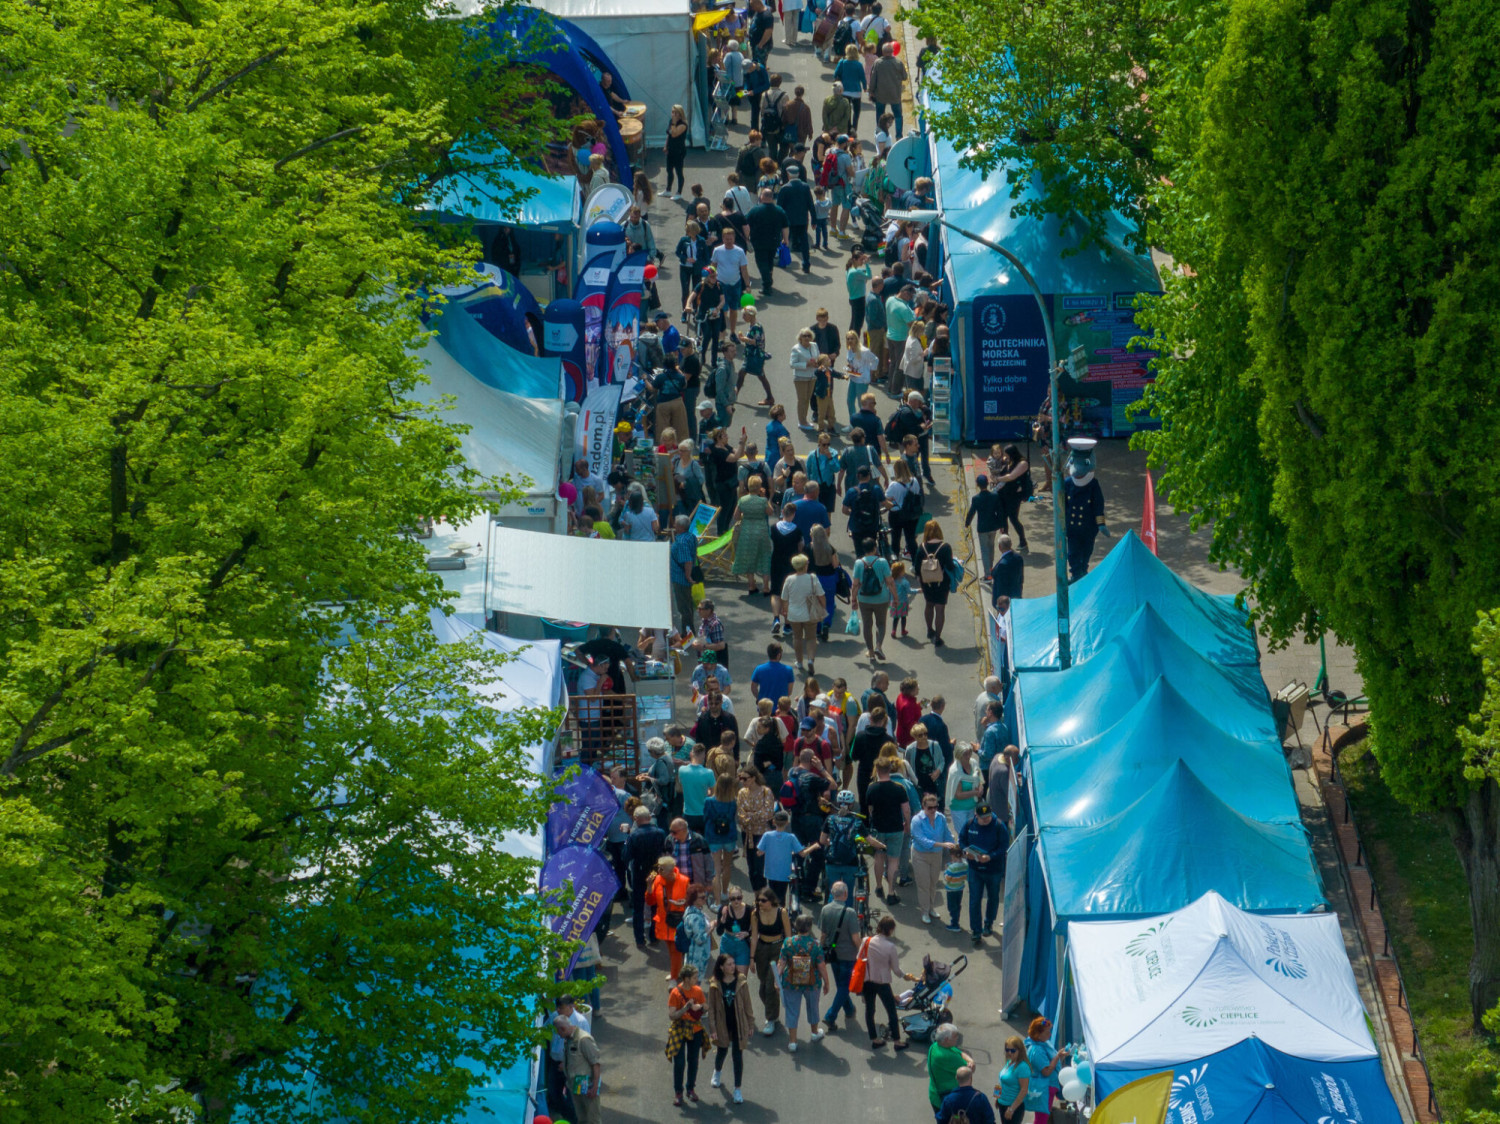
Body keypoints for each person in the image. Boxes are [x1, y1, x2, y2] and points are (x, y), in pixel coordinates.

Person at [776, 912, 829, 1052]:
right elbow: (821, 965)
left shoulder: (787, 942)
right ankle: (814, 1032)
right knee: (813, 1007)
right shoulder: (815, 945)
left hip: (790, 981)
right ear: (810, 927)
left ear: (795, 926)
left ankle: (792, 1042)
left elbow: (781, 963)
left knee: (792, 1010)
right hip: (812, 983)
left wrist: (777, 980)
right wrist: (827, 982)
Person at [704, 953, 753, 1104]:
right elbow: (711, 1008)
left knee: (737, 1057)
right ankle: (717, 1072)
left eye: (733, 963)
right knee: (722, 1051)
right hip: (722, 1025)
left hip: (738, 1024)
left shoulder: (741, 981)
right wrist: (713, 1028)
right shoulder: (715, 984)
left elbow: (747, 1004)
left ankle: (737, 1089)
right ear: (721, 967)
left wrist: (750, 1024)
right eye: (729, 964)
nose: (733, 967)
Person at [817, 879, 863, 1032]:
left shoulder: (825, 910)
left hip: (832, 954)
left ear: (831, 894)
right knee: (844, 987)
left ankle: (849, 1009)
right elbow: (856, 938)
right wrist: (862, 952)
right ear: (845, 894)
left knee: (841, 986)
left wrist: (820, 950)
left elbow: (823, 935)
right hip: (848, 956)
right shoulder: (850, 913)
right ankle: (830, 1016)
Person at [960, 801, 1008, 946]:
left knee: (993, 897)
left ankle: (988, 923)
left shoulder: (999, 826)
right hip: (975, 869)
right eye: (983, 818)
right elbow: (962, 840)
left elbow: (1004, 846)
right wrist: (965, 852)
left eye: (988, 817)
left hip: (993, 870)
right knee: (974, 900)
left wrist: (991, 856)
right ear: (976, 815)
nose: (986, 820)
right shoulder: (969, 825)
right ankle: (976, 930)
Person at [863, 915, 914, 1049]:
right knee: (891, 1011)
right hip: (882, 982)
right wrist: (905, 976)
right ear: (890, 930)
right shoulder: (890, 947)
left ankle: (874, 1039)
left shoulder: (866, 941)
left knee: (869, 1010)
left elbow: (859, 959)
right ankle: (897, 1041)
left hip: (867, 981)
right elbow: (896, 969)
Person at [748, 882, 791, 1033]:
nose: (760, 903)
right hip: (761, 949)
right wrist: (751, 958)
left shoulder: (781, 912)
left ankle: (770, 1019)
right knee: (762, 987)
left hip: (777, 948)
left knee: (770, 985)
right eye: (758, 900)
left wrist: (787, 957)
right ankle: (773, 1010)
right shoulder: (755, 914)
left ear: (771, 900)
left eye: (763, 900)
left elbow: (788, 936)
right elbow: (754, 937)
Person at [863, 761, 909, 901]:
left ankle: (878, 886)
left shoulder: (871, 788)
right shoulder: (899, 788)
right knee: (893, 861)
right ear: (890, 769)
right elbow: (906, 809)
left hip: (878, 829)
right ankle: (891, 892)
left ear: (876, 770)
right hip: (895, 828)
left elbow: (870, 809)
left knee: (879, 858)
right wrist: (907, 824)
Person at [909, 791, 958, 923]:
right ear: (923, 807)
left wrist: (955, 847)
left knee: (933, 883)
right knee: (924, 884)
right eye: (929, 807)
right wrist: (942, 844)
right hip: (920, 855)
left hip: (936, 855)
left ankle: (931, 908)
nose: (932, 810)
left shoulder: (941, 818)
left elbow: (947, 834)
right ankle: (924, 911)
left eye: (935, 807)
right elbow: (921, 840)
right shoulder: (916, 820)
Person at [667, 964, 711, 1105]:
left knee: (693, 1061)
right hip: (680, 1030)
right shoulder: (675, 993)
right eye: (694, 977)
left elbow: (706, 1007)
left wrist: (700, 1008)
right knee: (679, 1063)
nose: (696, 980)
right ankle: (678, 1092)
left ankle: (690, 1089)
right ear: (686, 979)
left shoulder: (697, 991)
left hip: (695, 1030)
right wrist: (686, 1008)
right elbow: (672, 1016)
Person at [626, 806, 669, 946]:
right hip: (655, 871)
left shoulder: (634, 835)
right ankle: (653, 935)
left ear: (636, 819)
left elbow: (626, 856)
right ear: (649, 818)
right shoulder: (660, 833)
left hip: (639, 872)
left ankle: (639, 939)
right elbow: (667, 850)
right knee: (655, 905)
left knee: (638, 907)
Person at [647, 855, 692, 979]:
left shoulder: (684, 881)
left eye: (661, 869)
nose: (658, 871)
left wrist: (683, 903)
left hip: (678, 922)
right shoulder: (657, 881)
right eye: (658, 868)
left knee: (675, 951)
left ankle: (674, 977)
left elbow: (692, 900)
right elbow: (650, 902)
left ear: (671, 871)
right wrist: (649, 886)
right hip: (664, 922)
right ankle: (677, 971)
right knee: (672, 952)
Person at [850, 536, 893, 661]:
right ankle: (878, 646)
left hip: (864, 599)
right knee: (881, 623)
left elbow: (855, 584)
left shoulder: (859, 563)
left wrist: (853, 599)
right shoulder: (882, 562)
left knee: (867, 625)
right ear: (875, 548)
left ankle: (870, 650)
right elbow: (890, 581)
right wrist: (895, 597)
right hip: (881, 598)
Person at [780, 553, 825, 674]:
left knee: (797, 637)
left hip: (794, 614)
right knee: (811, 638)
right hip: (810, 613)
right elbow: (821, 595)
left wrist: (785, 611)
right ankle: (810, 659)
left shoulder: (789, 579)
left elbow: (784, 598)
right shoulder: (812, 578)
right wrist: (823, 608)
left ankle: (799, 662)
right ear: (805, 565)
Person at [555, 1014, 603, 1124]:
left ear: (563, 1028)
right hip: (576, 1087)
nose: (559, 1035)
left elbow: (596, 1063)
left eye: (559, 1032)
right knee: (582, 1119)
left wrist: (595, 1086)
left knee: (593, 1119)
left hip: (588, 1088)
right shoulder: (568, 1040)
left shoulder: (583, 1039)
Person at [736, 765, 775, 889]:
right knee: (751, 869)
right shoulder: (742, 793)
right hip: (747, 834)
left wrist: (750, 816)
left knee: (760, 868)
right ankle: (757, 896)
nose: (742, 781)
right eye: (740, 778)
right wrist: (756, 815)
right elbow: (741, 815)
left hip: (762, 835)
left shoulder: (765, 792)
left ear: (753, 778)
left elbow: (768, 814)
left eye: (745, 778)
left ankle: (762, 895)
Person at [745, 187, 789, 296]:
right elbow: (785, 226)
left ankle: (767, 282)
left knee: (761, 262)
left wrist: (746, 238)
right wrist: (786, 239)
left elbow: (746, 225)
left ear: (762, 196)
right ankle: (767, 286)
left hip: (759, 241)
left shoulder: (755, 210)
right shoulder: (779, 210)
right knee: (769, 261)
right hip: (774, 241)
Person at [768, 501, 803, 638]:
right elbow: (800, 547)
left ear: (782, 512)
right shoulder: (797, 531)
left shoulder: (773, 528)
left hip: (776, 561)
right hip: (791, 564)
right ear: (793, 514)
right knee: (788, 594)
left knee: (776, 592)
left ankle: (776, 618)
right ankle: (787, 625)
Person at [703, 775, 740, 903]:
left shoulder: (709, 801)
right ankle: (725, 892)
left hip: (713, 837)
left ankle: (717, 899)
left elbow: (705, 817)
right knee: (727, 866)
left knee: (716, 869)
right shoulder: (733, 801)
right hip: (729, 836)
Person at [1026, 1016, 1069, 1124]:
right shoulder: (1037, 1051)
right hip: (1045, 1088)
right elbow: (1046, 1071)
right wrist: (1057, 1056)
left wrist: (1059, 1056)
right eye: (1047, 1032)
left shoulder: (1044, 1043)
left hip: (1048, 1087)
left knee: (1043, 1116)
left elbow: (1052, 1062)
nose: (1050, 1034)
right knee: (1041, 1119)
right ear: (1038, 1035)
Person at [916, 521, 954, 646]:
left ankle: (929, 629)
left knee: (929, 605)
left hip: (926, 581)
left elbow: (916, 568)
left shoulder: (921, 547)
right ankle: (938, 637)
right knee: (940, 609)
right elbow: (950, 566)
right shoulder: (945, 547)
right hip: (941, 582)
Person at [711, 227, 752, 336]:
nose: (729, 241)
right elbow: (713, 267)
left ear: (734, 238)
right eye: (726, 239)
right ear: (723, 238)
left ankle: (733, 332)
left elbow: (744, 269)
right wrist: (710, 281)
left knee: (734, 309)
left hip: (735, 284)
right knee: (723, 311)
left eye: (731, 238)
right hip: (721, 284)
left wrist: (747, 285)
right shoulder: (717, 251)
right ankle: (722, 333)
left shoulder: (739, 251)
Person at [756, 811, 802, 908]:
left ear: (773, 822)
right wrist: (815, 846)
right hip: (784, 874)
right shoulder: (791, 837)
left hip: (770, 872)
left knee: (771, 896)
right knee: (781, 898)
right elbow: (802, 853)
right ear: (787, 823)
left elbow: (759, 852)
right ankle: (781, 915)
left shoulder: (767, 835)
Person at [928, 1024, 975, 1115]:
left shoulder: (935, 1046)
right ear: (946, 1039)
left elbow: (960, 1052)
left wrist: (970, 1060)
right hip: (947, 1098)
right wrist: (971, 1061)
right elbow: (970, 1070)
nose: (957, 1038)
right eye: (955, 1036)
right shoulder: (947, 1056)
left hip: (935, 1095)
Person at [964, 475, 1005, 577]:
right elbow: (1000, 511)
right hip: (993, 527)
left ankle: (988, 574)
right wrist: (1002, 525)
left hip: (982, 528)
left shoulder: (976, 499)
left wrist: (967, 523)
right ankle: (990, 568)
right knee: (991, 548)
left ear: (977, 485)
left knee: (984, 551)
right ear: (987, 483)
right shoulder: (994, 496)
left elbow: (971, 512)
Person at [993, 443, 1031, 550]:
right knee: (1003, 518)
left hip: (1014, 495)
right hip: (1004, 493)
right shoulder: (1010, 461)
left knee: (1013, 518)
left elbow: (1011, 476)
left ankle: (1023, 541)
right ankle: (1006, 543)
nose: (1006, 457)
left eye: (1007, 455)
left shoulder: (1023, 463)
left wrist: (998, 479)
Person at [886, 459, 923, 563]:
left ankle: (895, 562)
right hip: (911, 513)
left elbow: (887, 498)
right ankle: (916, 563)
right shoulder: (914, 481)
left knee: (895, 539)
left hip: (896, 514)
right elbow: (917, 493)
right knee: (910, 539)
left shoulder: (894, 485)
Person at [869, 42, 909, 137]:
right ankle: (899, 135)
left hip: (881, 94)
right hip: (894, 94)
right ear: (892, 51)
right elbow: (904, 76)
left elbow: (873, 78)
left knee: (880, 114)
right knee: (898, 115)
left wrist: (871, 91)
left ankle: (880, 132)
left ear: (882, 52)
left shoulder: (878, 63)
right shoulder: (898, 63)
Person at [809, 524, 841, 642]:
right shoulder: (830, 548)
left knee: (816, 603)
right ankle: (826, 624)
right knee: (829, 602)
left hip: (815, 579)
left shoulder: (810, 548)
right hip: (829, 578)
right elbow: (835, 564)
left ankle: (817, 629)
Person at [946, 742, 982, 835]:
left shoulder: (973, 763)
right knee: (963, 834)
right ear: (959, 755)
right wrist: (975, 793)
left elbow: (979, 778)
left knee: (972, 833)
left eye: (969, 753)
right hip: (959, 809)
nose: (968, 756)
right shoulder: (955, 771)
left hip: (971, 806)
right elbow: (958, 795)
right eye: (965, 754)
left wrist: (980, 787)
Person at [678, 745, 716, 835]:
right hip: (704, 813)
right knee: (705, 842)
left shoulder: (682, 770)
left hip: (688, 813)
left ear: (691, 754)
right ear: (704, 756)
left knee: (689, 842)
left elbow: (681, 786)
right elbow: (713, 793)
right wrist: (707, 792)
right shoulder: (709, 773)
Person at [995, 1038, 1032, 1124]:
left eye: (1013, 1050)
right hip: (1002, 1104)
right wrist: (997, 1097)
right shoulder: (1009, 1062)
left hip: (1013, 1107)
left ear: (1020, 1051)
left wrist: (1011, 1109)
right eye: (1007, 1050)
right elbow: (1001, 1080)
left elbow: (1024, 1090)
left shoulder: (1022, 1067)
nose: (1009, 1053)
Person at [789, 327, 819, 431]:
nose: (807, 337)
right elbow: (792, 364)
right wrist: (806, 364)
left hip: (812, 376)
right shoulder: (796, 348)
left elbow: (818, 357)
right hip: (800, 378)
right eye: (804, 336)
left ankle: (804, 420)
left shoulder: (814, 345)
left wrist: (816, 364)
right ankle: (801, 422)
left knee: (807, 399)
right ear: (800, 338)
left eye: (808, 335)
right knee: (802, 400)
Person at [833, 43, 867, 128]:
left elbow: (835, 74)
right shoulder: (859, 65)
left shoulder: (842, 62)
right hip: (856, 91)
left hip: (845, 91)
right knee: (856, 111)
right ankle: (854, 128)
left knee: (847, 111)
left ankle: (848, 127)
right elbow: (863, 78)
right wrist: (865, 87)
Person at [990, 533, 1024, 604]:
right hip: (1017, 596)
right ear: (1011, 544)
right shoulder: (1019, 558)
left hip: (1005, 602)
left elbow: (1001, 587)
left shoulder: (1002, 565)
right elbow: (1021, 578)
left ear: (999, 547)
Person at [973, 677, 1004, 743]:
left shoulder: (981, 696)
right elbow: (1000, 719)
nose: (1001, 685)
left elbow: (974, 711)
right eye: (999, 684)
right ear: (993, 688)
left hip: (980, 734)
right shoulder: (992, 702)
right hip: (988, 738)